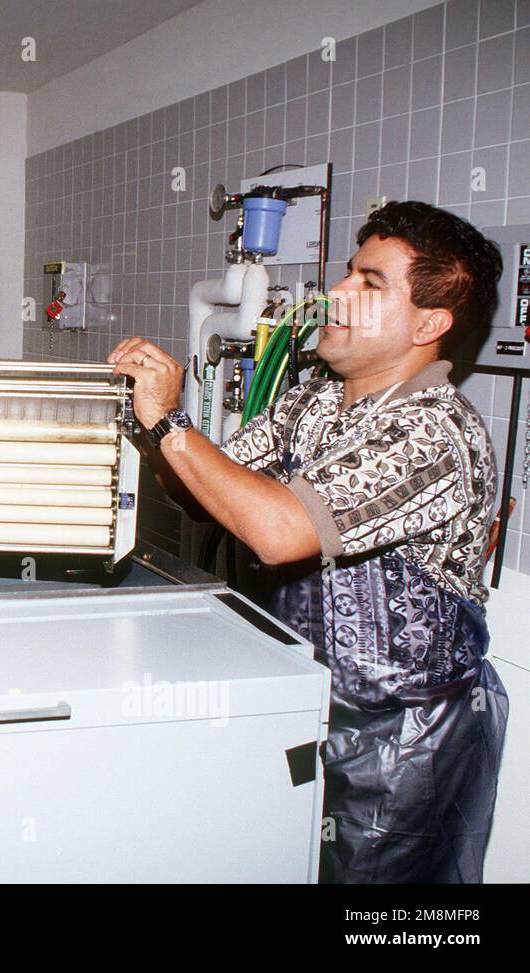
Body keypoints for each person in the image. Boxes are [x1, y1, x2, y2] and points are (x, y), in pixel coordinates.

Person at [108, 200, 508, 883]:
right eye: (348, 274)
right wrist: (150, 427)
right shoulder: (315, 398)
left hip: (407, 746)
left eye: (370, 283)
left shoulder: (433, 431)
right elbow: (214, 495)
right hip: (311, 712)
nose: (337, 294)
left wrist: (170, 418)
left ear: (430, 321)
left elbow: (279, 530)